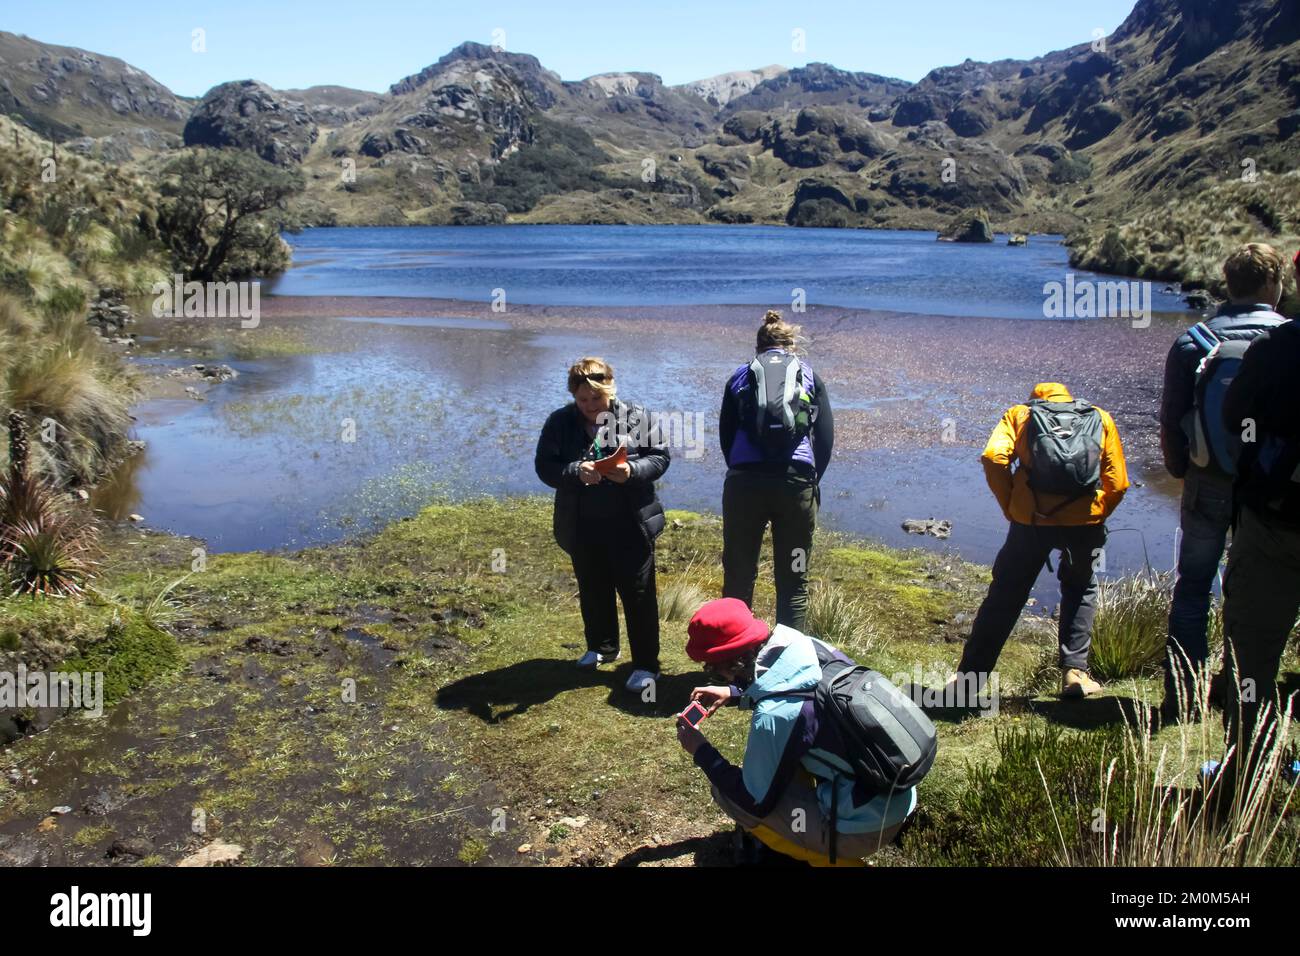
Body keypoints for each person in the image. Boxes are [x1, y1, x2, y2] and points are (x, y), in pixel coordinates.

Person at [675, 598, 915, 866]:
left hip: (863, 827)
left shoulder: (774, 715)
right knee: (781, 760)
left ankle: (834, 858)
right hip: (895, 794)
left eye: (714, 671)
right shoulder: (808, 646)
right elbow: (796, 690)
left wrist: (700, 750)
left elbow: (754, 801)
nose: (716, 677)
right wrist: (733, 693)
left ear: (733, 665)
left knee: (729, 794)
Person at [1158, 243, 1289, 722]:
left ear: (1226, 282)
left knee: (1193, 585)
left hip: (1207, 480)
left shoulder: (1196, 339)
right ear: (1274, 284)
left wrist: (1182, 472)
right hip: (1271, 492)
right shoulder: (1288, 339)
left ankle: (1180, 695)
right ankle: (1238, 692)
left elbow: (1171, 419)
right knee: (1254, 594)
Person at [952, 383, 1129, 698]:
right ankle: (1075, 674)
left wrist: (1011, 506)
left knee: (1005, 595)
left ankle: (968, 683)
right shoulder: (1099, 417)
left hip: (1030, 522)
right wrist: (1096, 513)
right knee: (1081, 587)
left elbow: (993, 458)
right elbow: (1118, 483)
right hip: (1085, 523)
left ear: (1036, 400)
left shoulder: (1021, 415)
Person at [534, 357, 670, 693]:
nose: (590, 407)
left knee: (638, 595)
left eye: (597, 399)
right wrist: (575, 471)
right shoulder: (559, 422)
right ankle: (602, 648)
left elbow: (661, 456)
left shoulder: (637, 416)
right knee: (593, 590)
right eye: (583, 400)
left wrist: (632, 471)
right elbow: (544, 466)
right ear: (573, 397)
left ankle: (645, 666)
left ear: (610, 390)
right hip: (582, 525)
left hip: (631, 524)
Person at [1212, 280, 1300, 793]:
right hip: (1273, 518)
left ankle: (1248, 775)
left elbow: (1234, 418)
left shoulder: (1278, 348)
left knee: (1253, 655)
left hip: (1273, 524)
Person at [719, 310, 834, 630]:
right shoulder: (809, 375)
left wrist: (743, 471)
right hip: (795, 484)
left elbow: (726, 437)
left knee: (739, 576)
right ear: (792, 346)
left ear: (757, 347)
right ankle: (789, 666)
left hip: (745, 484)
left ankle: (733, 661)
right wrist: (809, 480)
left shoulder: (740, 376)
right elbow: (824, 440)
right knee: (794, 580)